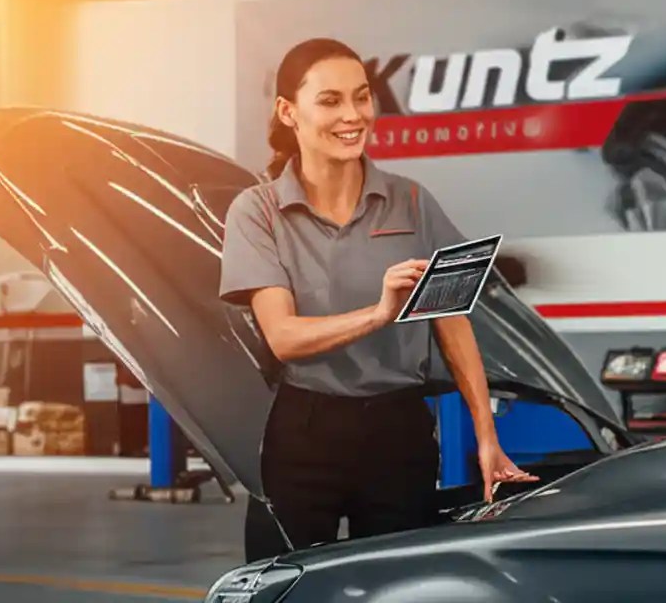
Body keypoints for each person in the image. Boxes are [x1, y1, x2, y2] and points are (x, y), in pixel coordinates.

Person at [218, 37, 536, 551]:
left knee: (398, 586)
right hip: (303, 431)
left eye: (361, 97)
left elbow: (452, 323)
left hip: (399, 432)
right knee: (283, 584)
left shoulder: (412, 201)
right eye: (330, 101)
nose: (353, 115)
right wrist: (381, 312)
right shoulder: (257, 212)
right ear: (288, 112)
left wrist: (486, 436)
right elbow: (283, 338)